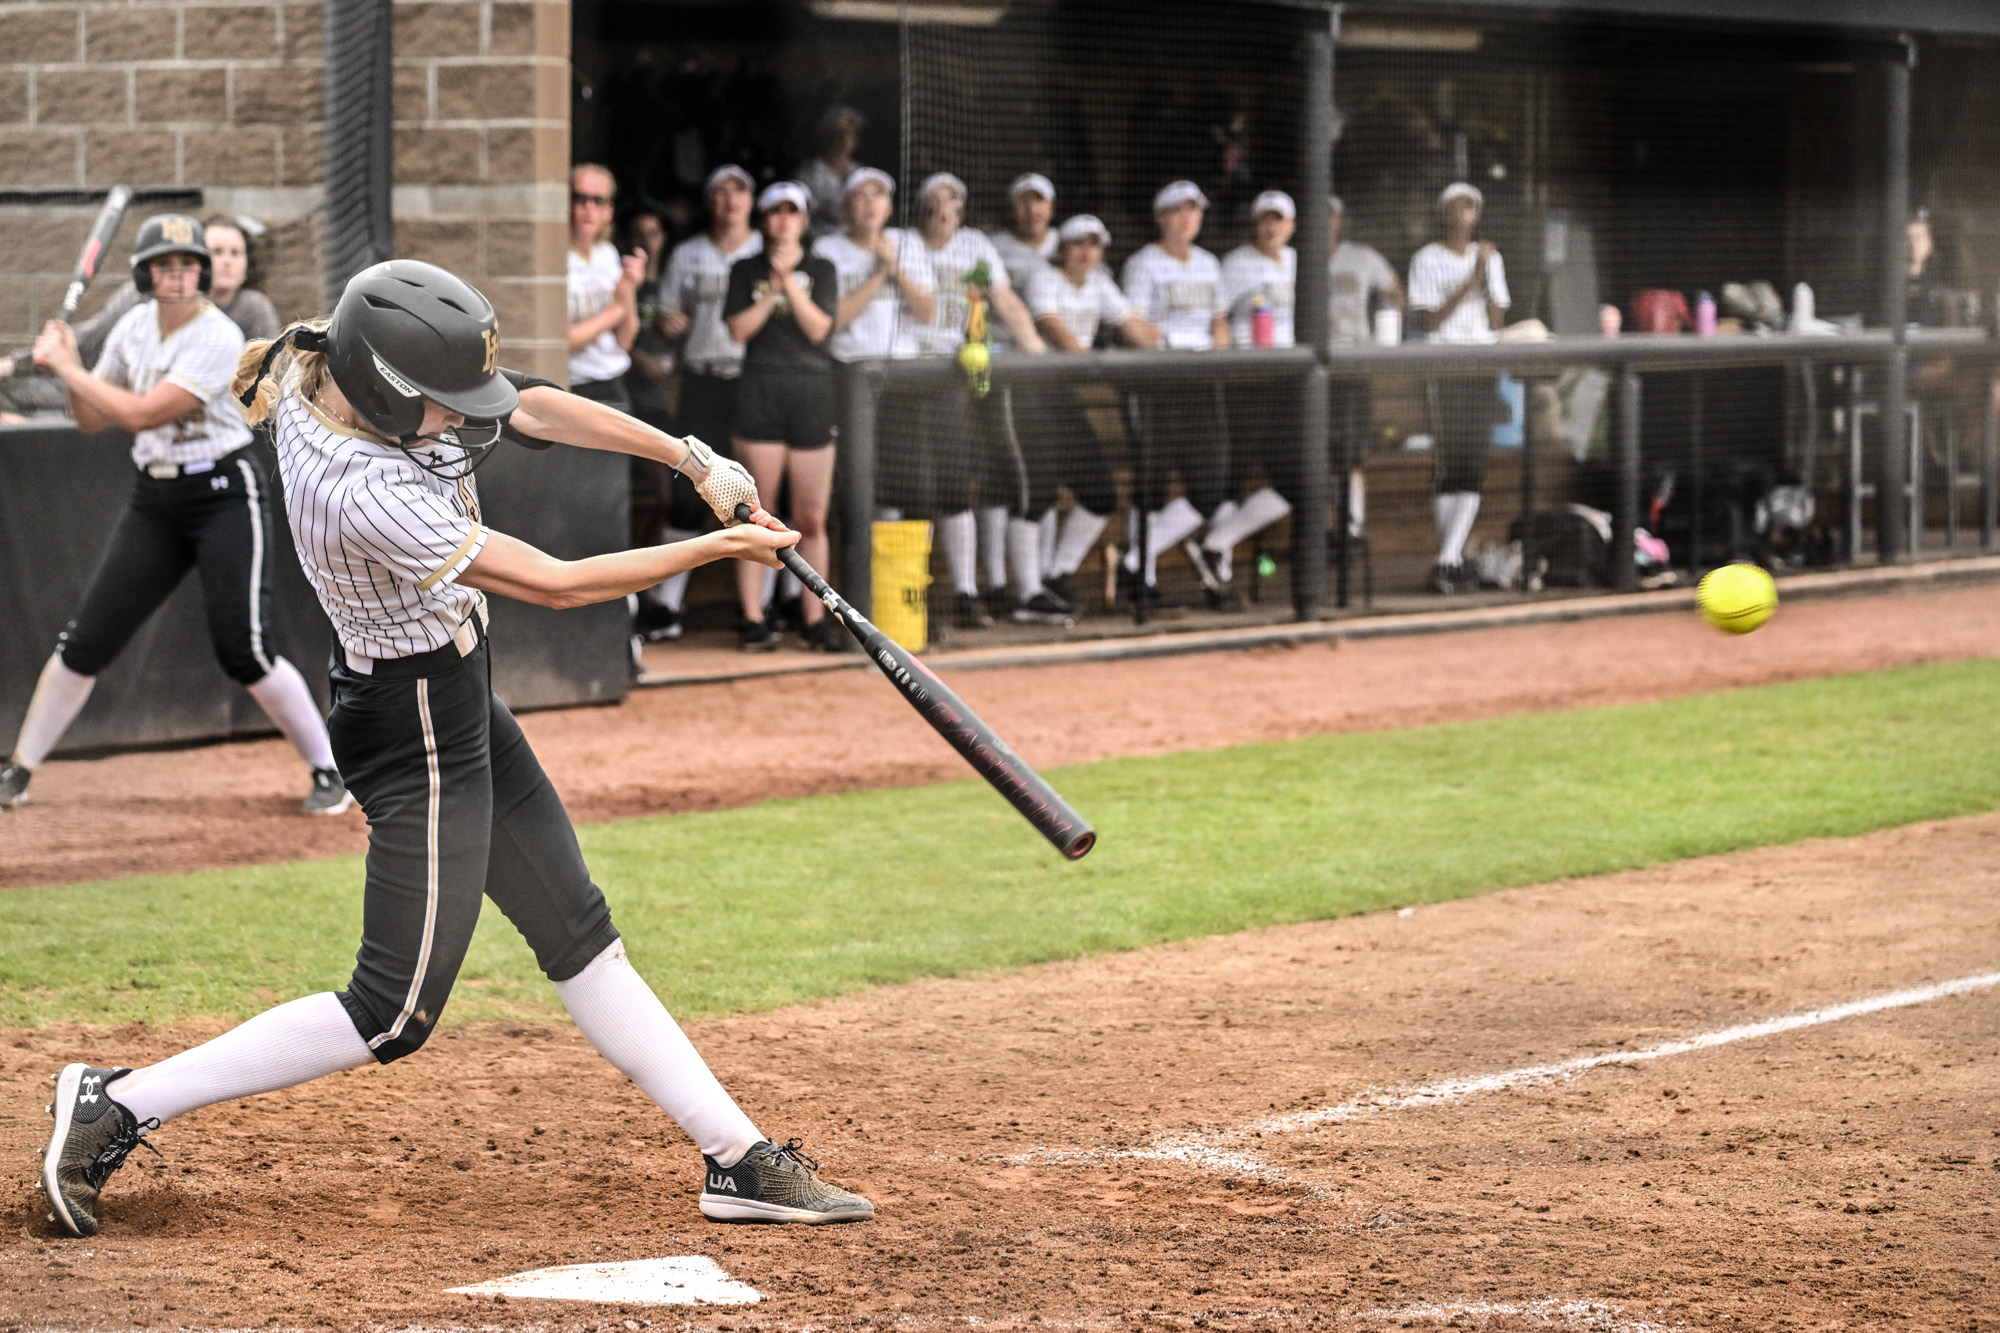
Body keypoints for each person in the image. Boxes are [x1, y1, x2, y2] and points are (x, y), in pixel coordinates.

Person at [37, 258, 872, 1240]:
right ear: (388, 392)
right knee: (390, 1011)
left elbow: (533, 408)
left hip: (455, 691)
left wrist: (687, 456)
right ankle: (120, 1099)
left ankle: (737, 1159)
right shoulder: (357, 484)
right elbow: (558, 583)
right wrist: (715, 549)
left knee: (577, 930)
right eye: (439, 407)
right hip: (410, 720)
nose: (459, 421)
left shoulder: (341, 366)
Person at [0, 216, 345, 815]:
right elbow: (90, 419)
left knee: (246, 649)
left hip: (222, 493)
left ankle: (328, 772)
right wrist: (70, 367)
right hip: (155, 498)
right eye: (166, 266)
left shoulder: (217, 335)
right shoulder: (133, 327)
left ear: (201, 273)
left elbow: (141, 415)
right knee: (86, 640)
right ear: (147, 275)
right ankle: (20, 769)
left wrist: (68, 368)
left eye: (188, 265)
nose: (178, 276)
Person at [899, 172, 1046, 630]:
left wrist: (1037, 352)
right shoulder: (904, 243)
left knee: (957, 481)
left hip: (953, 373)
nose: (945, 210)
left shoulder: (975, 248)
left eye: (954, 202)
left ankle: (965, 592)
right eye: (936, 201)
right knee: (908, 489)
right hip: (902, 373)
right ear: (922, 207)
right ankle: (906, 598)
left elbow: (1005, 301)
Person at [723, 182, 843, 652]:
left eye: (793, 211)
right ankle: (753, 617)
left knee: (811, 517)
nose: (784, 219)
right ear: (764, 219)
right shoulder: (744, 269)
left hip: (812, 391)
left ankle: (814, 618)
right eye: (775, 210)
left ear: (805, 219)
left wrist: (790, 282)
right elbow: (738, 330)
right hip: (760, 388)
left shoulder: (822, 268)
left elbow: (818, 329)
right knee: (758, 514)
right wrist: (770, 286)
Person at [1025, 214, 1158, 611]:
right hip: (1035, 395)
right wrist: (1098, 362)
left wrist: (1155, 338)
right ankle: (1028, 590)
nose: (1086, 251)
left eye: (1094, 244)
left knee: (1101, 493)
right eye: (1078, 243)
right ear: (1062, 248)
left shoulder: (1099, 282)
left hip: (1070, 399)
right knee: (1038, 492)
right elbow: (1057, 335)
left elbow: (1140, 332)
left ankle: (1056, 573)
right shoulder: (1043, 279)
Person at [653, 166, 764, 639]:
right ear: (709, 201)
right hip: (700, 381)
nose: (730, 200)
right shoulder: (689, 253)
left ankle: (758, 614)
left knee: (758, 497)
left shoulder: (767, 251)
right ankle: (665, 608)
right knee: (687, 492)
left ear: (751, 200)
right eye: (720, 191)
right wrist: (668, 321)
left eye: (739, 190)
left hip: (753, 382)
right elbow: (664, 312)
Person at [1118, 180, 1230, 603]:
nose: (1187, 219)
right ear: (1161, 217)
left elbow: (1219, 319)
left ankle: (1132, 560)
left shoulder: (1208, 264)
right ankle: (1139, 579)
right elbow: (1134, 326)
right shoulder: (1143, 263)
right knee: (1151, 482)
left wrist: (1216, 351)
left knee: (1210, 487)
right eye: (1178, 211)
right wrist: (1171, 348)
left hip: (1200, 384)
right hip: (1157, 383)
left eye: (1194, 210)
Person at [1200, 189, 1305, 598]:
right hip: (1246, 379)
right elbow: (1219, 317)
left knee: (1295, 480)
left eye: (1279, 218)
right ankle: (1218, 579)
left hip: (1288, 380)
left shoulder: (1299, 261)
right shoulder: (1237, 264)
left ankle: (1213, 544)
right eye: (1265, 217)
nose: (1272, 225)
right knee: (1234, 475)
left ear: (1292, 226)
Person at [1408, 181, 1510, 594]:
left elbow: (1497, 318)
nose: (1462, 214)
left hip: (1480, 362)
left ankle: (1448, 558)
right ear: (1443, 213)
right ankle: (1448, 557)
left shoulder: (1491, 257)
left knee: (1474, 459)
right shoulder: (1426, 258)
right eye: (1454, 207)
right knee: (1448, 462)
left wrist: (1484, 277)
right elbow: (1429, 320)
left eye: (1469, 207)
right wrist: (1473, 276)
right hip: (1443, 362)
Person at [813, 167, 935, 365]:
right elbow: (830, 322)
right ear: (845, 207)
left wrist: (895, 271)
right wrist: (878, 276)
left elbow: (927, 313)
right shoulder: (827, 249)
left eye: (879, 195)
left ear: (889, 207)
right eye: (860, 196)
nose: (870, 203)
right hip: (851, 363)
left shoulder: (909, 242)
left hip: (905, 361)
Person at [567, 163, 644, 413]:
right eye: (580, 198)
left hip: (612, 380)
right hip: (572, 385)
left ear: (610, 210)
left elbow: (625, 339)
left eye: (598, 201)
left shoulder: (607, 254)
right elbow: (561, 340)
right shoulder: (554, 259)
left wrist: (629, 289)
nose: (589, 208)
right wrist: (616, 310)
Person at [201, 215, 282, 342]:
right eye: (217, 252)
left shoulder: (255, 307)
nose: (227, 261)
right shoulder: (181, 305)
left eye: (235, 253)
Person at [797, 106, 866, 241]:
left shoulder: (860, 172)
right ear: (826, 135)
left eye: (850, 132)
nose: (844, 138)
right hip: (819, 243)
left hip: (854, 243)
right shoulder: (809, 174)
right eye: (839, 132)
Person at [988, 173, 1058, 291]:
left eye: (1038, 200)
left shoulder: (1066, 244)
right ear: (1012, 209)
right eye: (1023, 201)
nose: (1032, 210)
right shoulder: (992, 247)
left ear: (1051, 208)